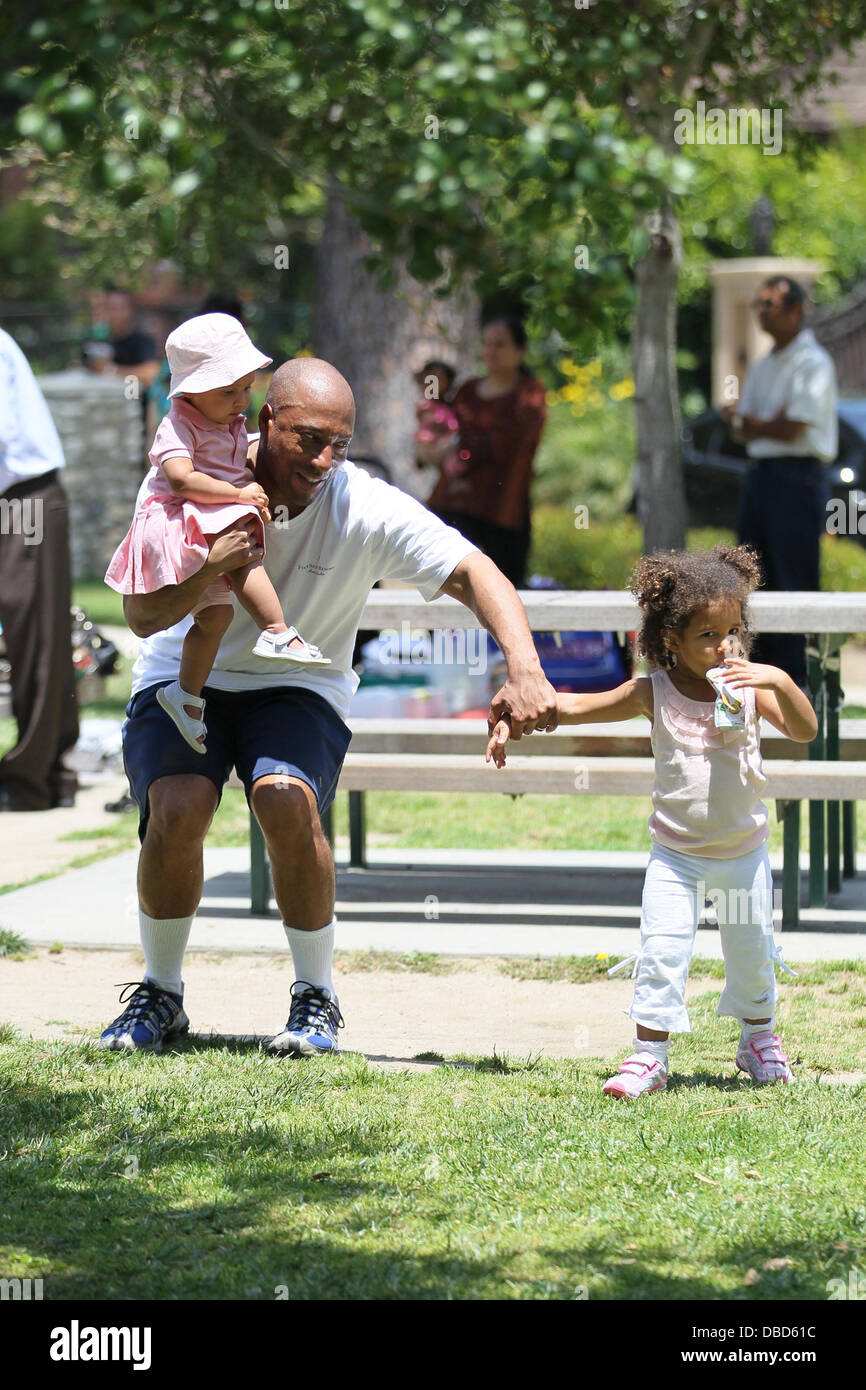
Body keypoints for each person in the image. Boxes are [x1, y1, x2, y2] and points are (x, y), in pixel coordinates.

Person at [99, 356, 557, 1053]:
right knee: (178, 804)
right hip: (185, 673)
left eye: (338, 443)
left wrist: (525, 667)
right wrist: (215, 567)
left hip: (297, 681)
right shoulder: (189, 477)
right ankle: (161, 994)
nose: (324, 458)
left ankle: (315, 997)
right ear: (265, 422)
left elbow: (474, 569)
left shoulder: (361, 504)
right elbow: (138, 616)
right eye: (308, 438)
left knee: (285, 798)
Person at [487, 545, 817, 1097]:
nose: (724, 645)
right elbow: (574, 707)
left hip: (742, 855)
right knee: (661, 952)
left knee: (752, 951)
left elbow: (804, 731)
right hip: (676, 858)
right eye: (707, 635)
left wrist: (777, 680)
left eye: (733, 630)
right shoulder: (653, 693)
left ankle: (758, 1041)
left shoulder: (751, 691)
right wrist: (512, 715)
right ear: (672, 642)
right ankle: (649, 1056)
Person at [105, 314, 329, 755]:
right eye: (229, 391)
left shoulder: (224, 421)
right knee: (242, 549)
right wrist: (239, 492)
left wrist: (246, 475)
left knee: (217, 618)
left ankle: (185, 696)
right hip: (178, 520)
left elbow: (230, 463)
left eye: (246, 388)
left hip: (203, 516)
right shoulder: (178, 424)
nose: (240, 400)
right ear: (189, 390)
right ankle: (277, 628)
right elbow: (182, 480)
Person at [723, 275, 837, 689]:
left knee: (795, 577)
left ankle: (801, 680)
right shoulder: (765, 363)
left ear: (796, 310)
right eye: (759, 304)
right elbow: (744, 429)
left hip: (798, 476)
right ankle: (760, 675)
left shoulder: (813, 362)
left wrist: (752, 423)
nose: (762, 312)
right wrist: (753, 423)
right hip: (762, 477)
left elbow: (791, 429)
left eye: (770, 304)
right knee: (752, 576)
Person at [0, 326, 79, 811]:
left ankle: (33, 780)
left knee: (37, 638)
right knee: (36, 636)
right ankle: (51, 773)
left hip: (25, 497)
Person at [427, 317, 547, 587]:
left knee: (505, 590)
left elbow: (506, 445)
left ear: (520, 351)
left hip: (502, 510)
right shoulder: (468, 391)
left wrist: (458, 449)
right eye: (487, 344)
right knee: (444, 588)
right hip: (453, 505)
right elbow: (446, 434)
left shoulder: (530, 395)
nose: (491, 351)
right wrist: (429, 451)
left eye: (500, 344)